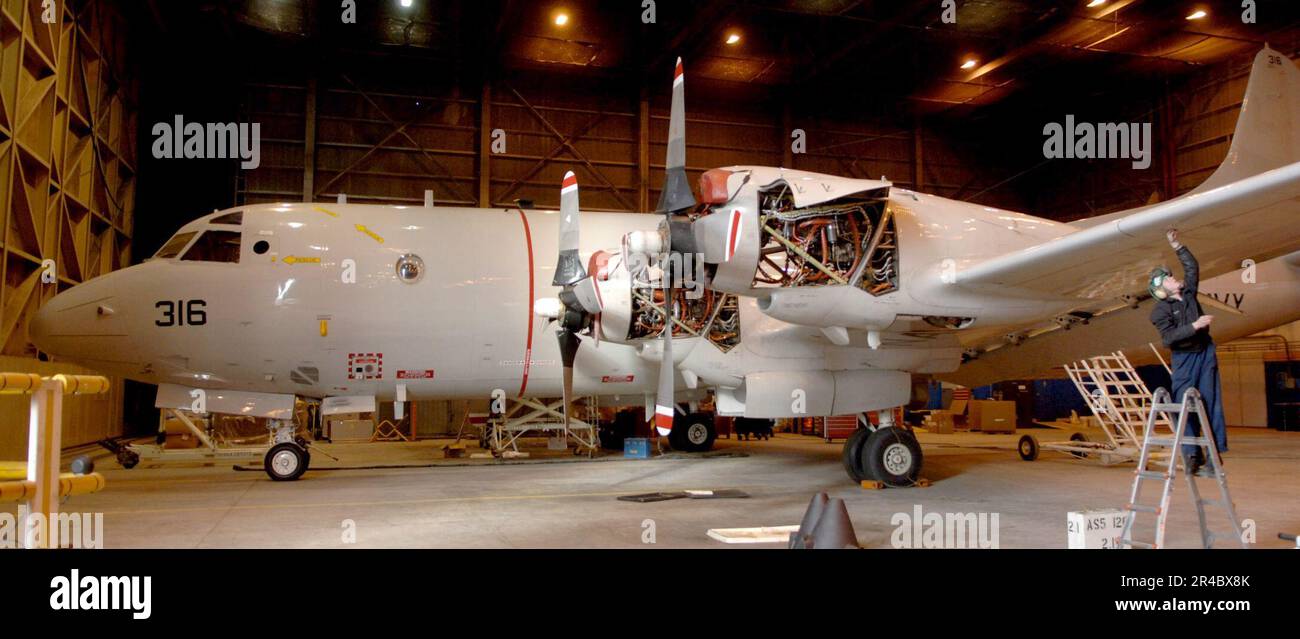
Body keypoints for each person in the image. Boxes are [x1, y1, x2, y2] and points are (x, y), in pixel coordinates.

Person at [1148, 229, 1227, 475]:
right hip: (1184, 359)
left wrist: (1177, 245)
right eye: (1168, 278)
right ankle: (1192, 455)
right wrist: (1195, 326)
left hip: (1205, 353)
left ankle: (1214, 457)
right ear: (1162, 288)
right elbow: (1168, 338)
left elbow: (1192, 268)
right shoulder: (1159, 312)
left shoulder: (1190, 293)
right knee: (1183, 405)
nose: (1174, 278)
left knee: (1211, 404)